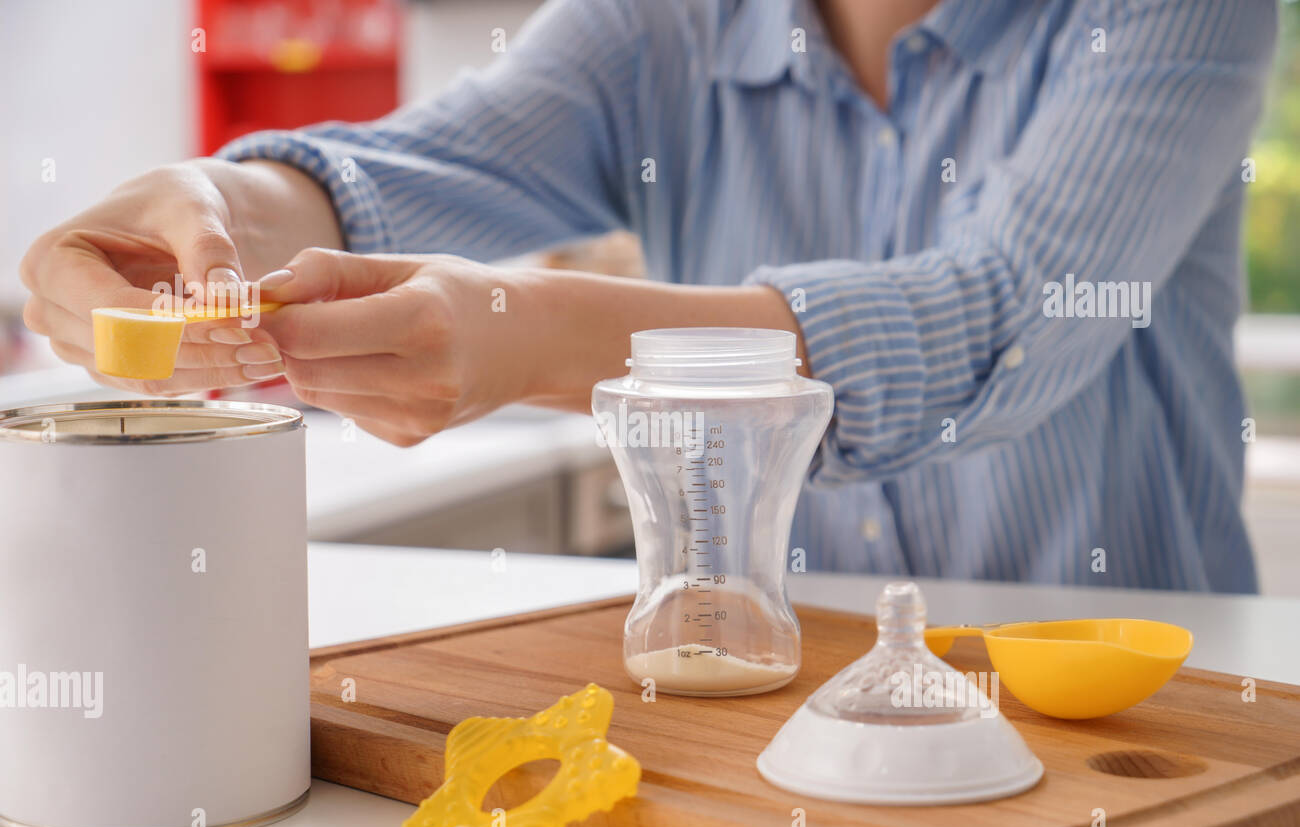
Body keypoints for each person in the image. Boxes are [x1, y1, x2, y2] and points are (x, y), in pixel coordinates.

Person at [18, 0, 1277, 592]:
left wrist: (535, 337)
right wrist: (214, 206)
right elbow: (406, 175)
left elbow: (994, 321)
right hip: (790, 724)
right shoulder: (657, 27)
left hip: (1144, 708)